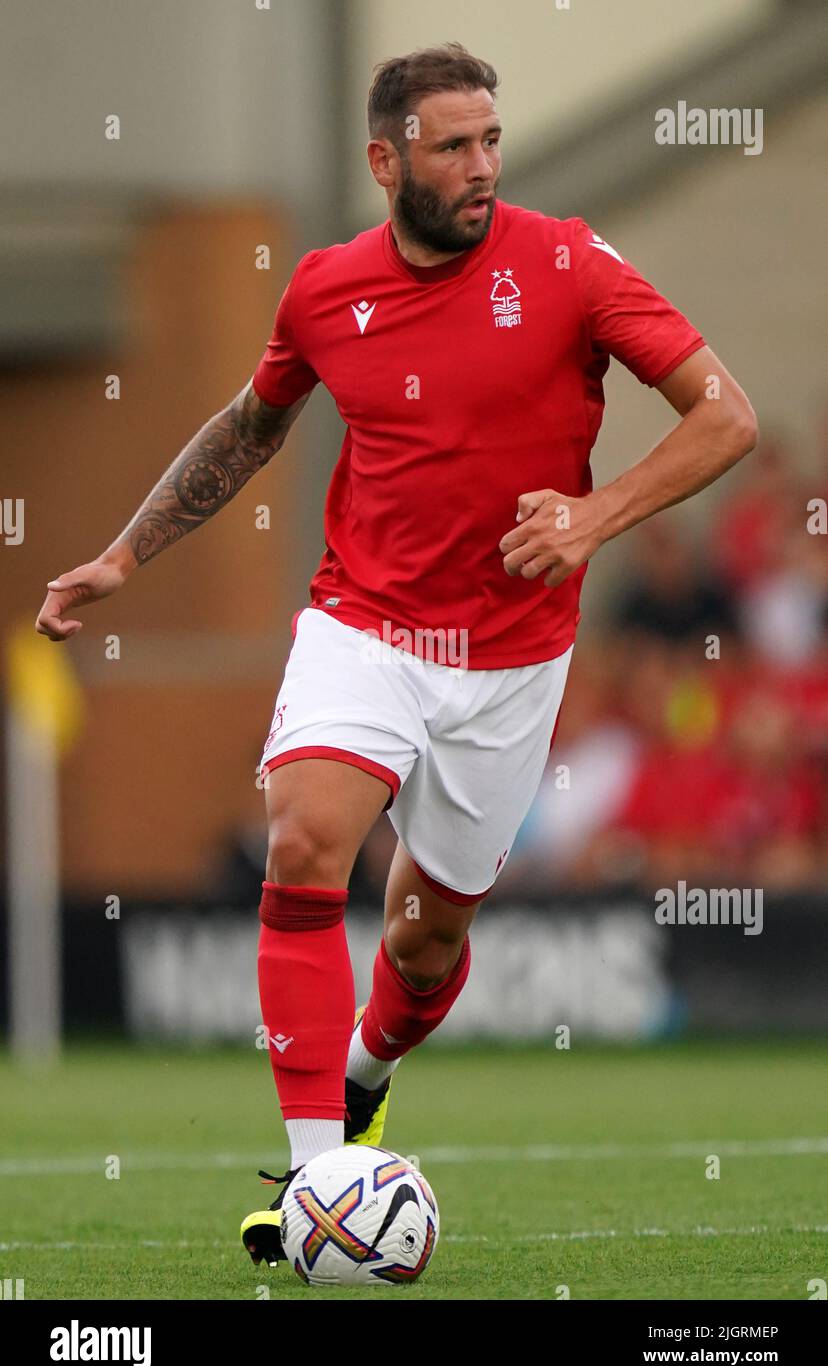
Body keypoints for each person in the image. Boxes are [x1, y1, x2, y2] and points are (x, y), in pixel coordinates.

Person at [34, 43, 757, 1269]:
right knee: (307, 839)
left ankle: (366, 1072)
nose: (481, 168)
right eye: (451, 146)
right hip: (363, 623)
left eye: (491, 142)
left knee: (425, 942)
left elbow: (725, 414)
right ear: (385, 161)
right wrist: (124, 555)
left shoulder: (572, 262)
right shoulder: (322, 290)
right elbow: (248, 429)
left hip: (513, 658)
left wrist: (592, 515)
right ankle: (318, 1174)